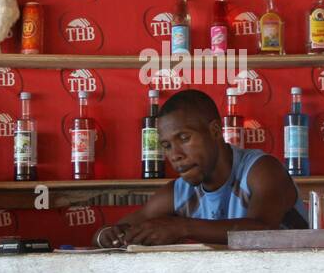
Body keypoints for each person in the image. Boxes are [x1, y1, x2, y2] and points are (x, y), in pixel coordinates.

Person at [95, 89, 307, 247]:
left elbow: (263, 232)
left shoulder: (261, 170)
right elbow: (111, 231)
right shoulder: (177, 192)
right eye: (167, 146)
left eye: (184, 138)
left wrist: (182, 227)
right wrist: (108, 236)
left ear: (215, 131)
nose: (175, 154)